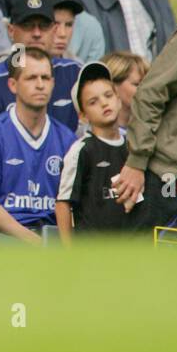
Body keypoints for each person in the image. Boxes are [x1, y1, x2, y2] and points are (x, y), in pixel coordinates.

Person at [0, 46, 77, 242]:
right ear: (13, 85)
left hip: (51, 234)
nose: (40, 85)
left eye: (45, 78)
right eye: (31, 78)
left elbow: (71, 206)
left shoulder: (67, 138)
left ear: (53, 83)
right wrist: (34, 242)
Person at [0, 0, 84, 139]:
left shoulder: (74, 73)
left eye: (44, 26)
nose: (36, 33)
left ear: (54, 30)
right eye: (27, 25)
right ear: (11, 30)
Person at [55, 60, 145, 240]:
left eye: (108, 95)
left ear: (118, 100)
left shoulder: (135, 147)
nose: (104, 103)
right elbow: (63, 204)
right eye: (93, 101)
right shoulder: (81, 150)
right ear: (83, 115)